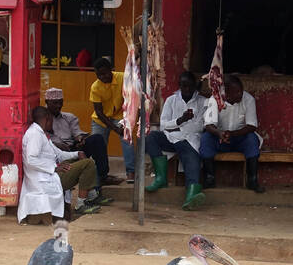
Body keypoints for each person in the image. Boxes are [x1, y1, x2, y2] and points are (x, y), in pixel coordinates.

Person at [19, 106, 102, 224]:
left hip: (50, 173)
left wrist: (77, 154)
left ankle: (90, 194)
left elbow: (59, 154)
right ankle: (81, 204)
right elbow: (31, 159)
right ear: (47, 119)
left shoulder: (41, 133)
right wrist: (54, 168)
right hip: (44, 180)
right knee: (88, 164)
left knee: (82, 161)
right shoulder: (35, 134)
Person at [145, 71, 209, 210]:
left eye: (190, 86)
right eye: (184, 86)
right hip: (171, 138)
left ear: (195, 86)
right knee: (151, 137)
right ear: (179, 85)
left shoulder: (203, 102)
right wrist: (181, 120)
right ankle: (161, 178)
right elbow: (163, 124)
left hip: (190, 140)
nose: (187, 89)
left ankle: (191, 195)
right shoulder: (171, 100)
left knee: (191, 158)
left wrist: (177, 126)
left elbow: (201, 126)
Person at [201, 74, 264, 193]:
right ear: (226, 93)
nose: (240, 94)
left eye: (240, 90)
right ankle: (209, 178)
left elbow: (252, 126)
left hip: (239, 138)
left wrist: (232, 134)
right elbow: (209, 125)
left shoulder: (248, 99)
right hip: (219, 138)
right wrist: (220, 133)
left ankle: (252, 180)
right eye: (236, 92)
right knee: (206, 139)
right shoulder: (215, 99)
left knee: (252, 139)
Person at [43, 87, 118, 187]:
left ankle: (102, 176)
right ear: (47, 102)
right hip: (53, 152)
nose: (58, 106)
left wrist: (80, 139)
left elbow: (77, 132)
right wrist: (56, 145)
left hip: (71, 148)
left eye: (60, 102)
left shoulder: (69, 117)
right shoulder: (42, 119)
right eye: (55, 103)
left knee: (97, 139)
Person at [89, 56, 136, 183]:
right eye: (99, 75)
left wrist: (125, 121)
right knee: (97, 145)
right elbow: (99, 112)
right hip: (101, 120)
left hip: (120, 116)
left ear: (112, 70)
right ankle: (98, 176)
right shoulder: (95, 87)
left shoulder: (123, 78)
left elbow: (132, 100)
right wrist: (115, 128)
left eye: (105, 73)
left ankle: (131, 172)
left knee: (127, 138)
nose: (102, 77)